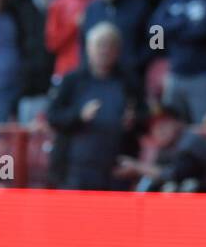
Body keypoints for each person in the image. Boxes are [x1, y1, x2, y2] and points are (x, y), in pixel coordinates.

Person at [46, 22, 145, 191]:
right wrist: (79, 116)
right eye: (100, 45)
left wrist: (133, 120)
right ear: (88, 48)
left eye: (110, 45)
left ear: (118, 50)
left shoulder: (129, 81)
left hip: (115, 169)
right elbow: (53, 116)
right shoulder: (72, 80)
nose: (104, 50)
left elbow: (145, 117)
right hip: (76, 169)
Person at [117, 105, 206, 193]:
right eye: (155, 127)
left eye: (164, 123)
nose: (160, 131)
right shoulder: (167, 148)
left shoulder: (190, 142)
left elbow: (175, 175)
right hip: (204, 199)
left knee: (175, 188)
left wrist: (138, 167)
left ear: (177, 123)